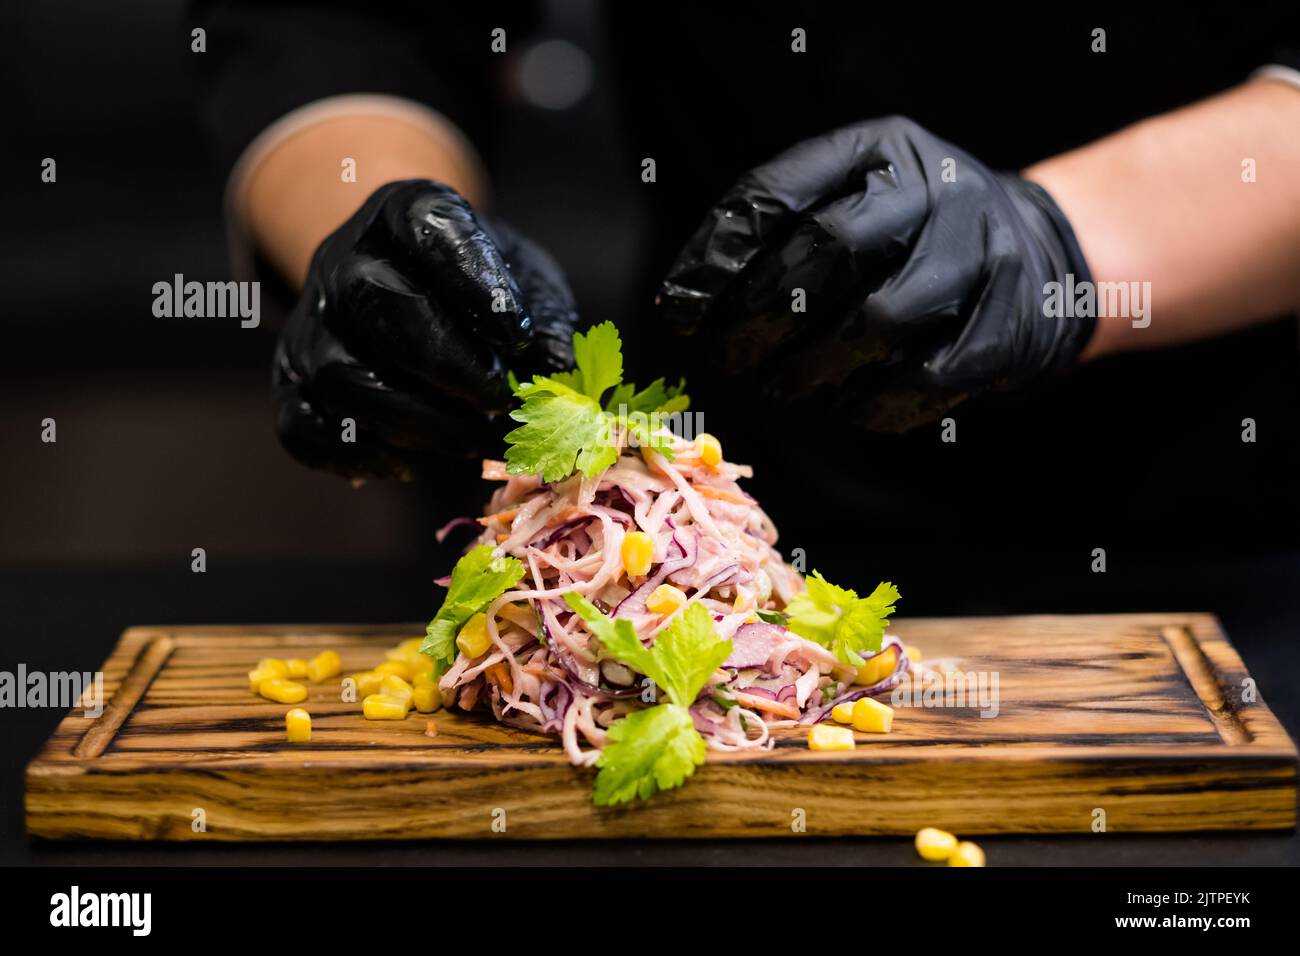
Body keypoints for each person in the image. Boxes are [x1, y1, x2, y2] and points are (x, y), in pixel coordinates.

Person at [197, 2, 1300, 570]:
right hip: (714, 471)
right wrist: (377, 227)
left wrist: (1061, 243)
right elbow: (350, 19)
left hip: (1211, 519)